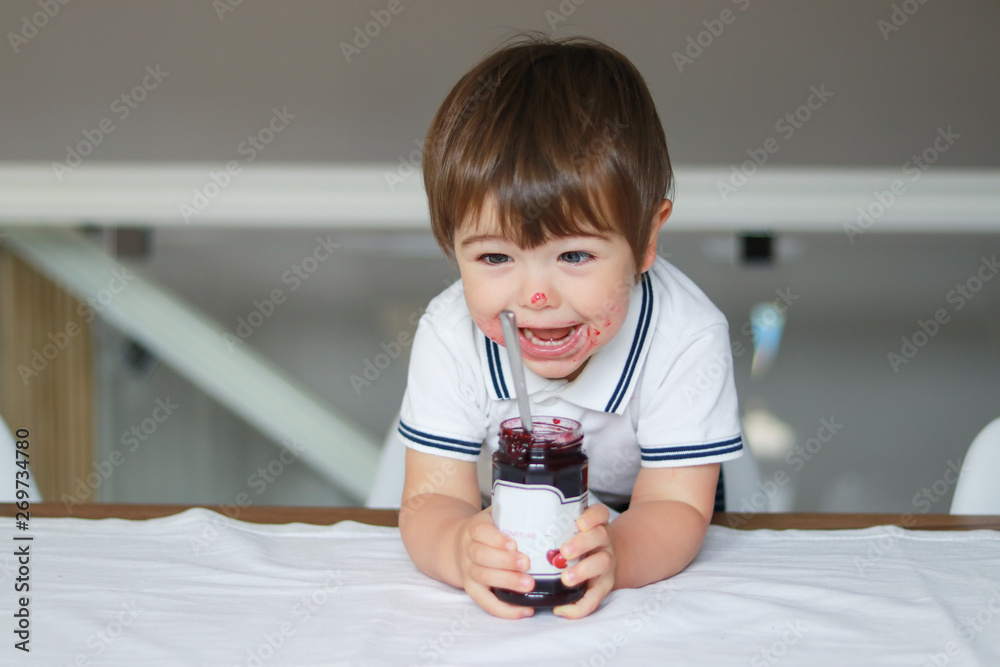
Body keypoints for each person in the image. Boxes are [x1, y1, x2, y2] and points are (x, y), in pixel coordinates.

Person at [395, 34, 743, 620]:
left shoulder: (687, 335)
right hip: (514, 513)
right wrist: (458, 547)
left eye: (575, 257)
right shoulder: (451, 330)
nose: (535, 295)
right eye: (494, 259)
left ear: (646, 238)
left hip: (651, 512)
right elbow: (430, 499)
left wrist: (621, 553)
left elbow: (679, 509)